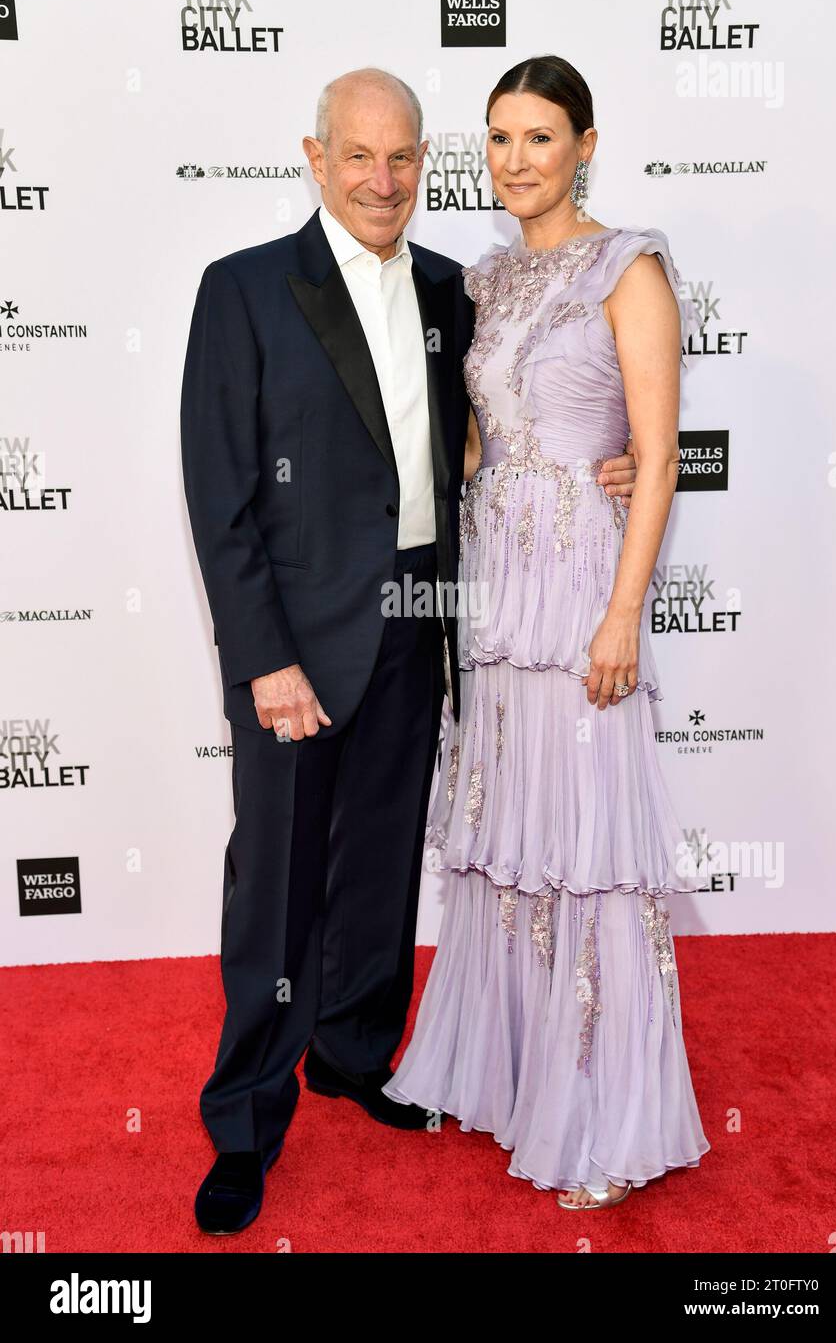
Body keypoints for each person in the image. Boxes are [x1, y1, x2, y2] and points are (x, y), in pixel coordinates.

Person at [180, 63, 643, 1233]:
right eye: (359, 157)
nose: (382, 180)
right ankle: (243, 1117)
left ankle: (349, 1052)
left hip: (424, 629)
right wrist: (260, 657)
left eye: (403, 159)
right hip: (295, 645)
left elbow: (498, 432)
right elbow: (218, 498)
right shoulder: (243, 291)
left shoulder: (451, 288)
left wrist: (614, 463)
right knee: (274, 891)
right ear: (314, 155)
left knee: (382, 869)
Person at [383, 54, 711, 1209]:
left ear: (583, 143)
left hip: (579, 589)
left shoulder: (630, 268)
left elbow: (657, 456)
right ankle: (512, 1078)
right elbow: (483, 439)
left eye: (537, 137)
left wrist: (623, 610)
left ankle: (601, 1114)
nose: (514, 160)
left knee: (585, 845)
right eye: (497, 138)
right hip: (495, 589)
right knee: (505, 833)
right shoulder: (486, 279)